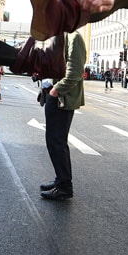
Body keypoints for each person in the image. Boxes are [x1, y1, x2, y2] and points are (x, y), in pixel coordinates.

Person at [40, 30, 86, 201]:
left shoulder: (74, 37)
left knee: (57, 142)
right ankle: (61, 180)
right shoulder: (61, 36)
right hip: (55, 96)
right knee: (54, 142)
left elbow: (75, 72)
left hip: (62, 98)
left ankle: (65, 187)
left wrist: (55, 91)